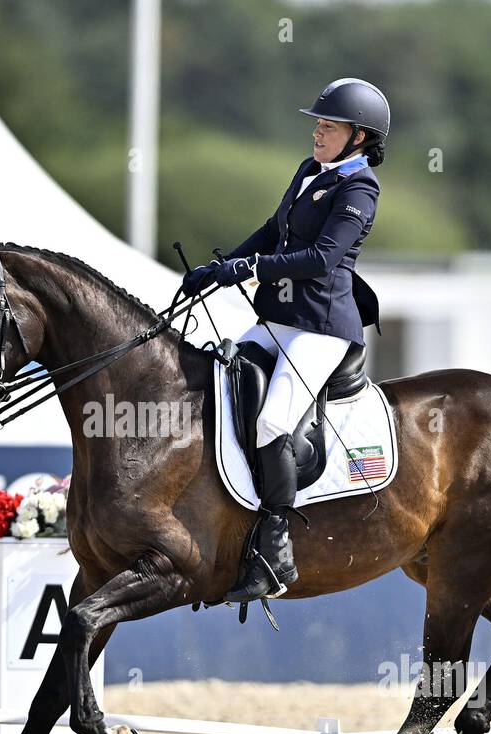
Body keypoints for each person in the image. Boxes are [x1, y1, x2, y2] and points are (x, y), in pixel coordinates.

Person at [183, 78, 389, 603]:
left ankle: (274, 553)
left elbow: (321, 257)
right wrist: (219, 266)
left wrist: (248, 268)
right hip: (278, 318)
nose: (317, 132)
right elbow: (274, 230)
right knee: (218, 379)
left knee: (274, 418)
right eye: (318, 123)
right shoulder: (309, 172)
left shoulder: (359, 189)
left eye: (329, 126)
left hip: (321, 327)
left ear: (358, 137)